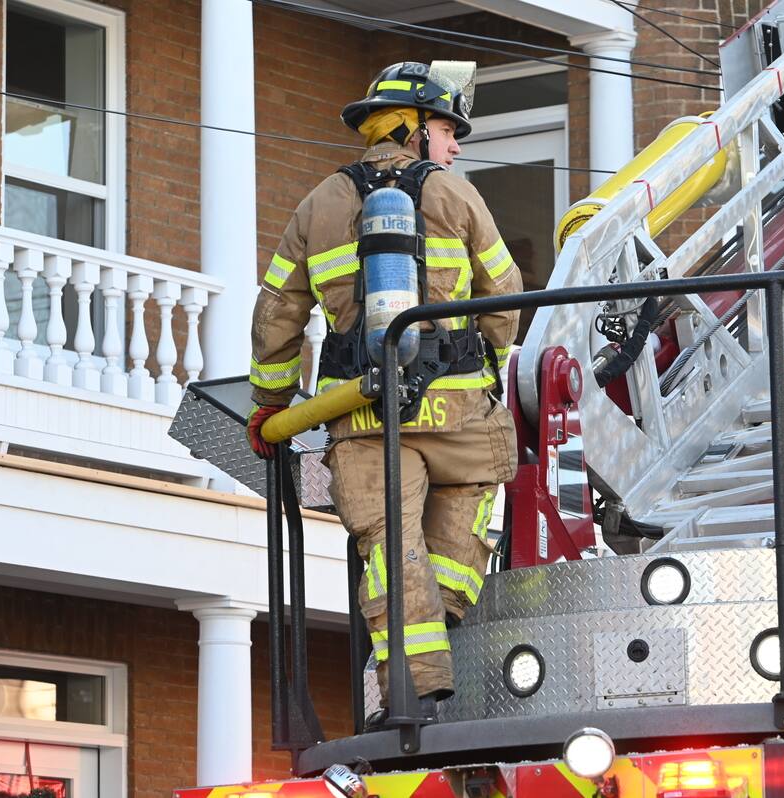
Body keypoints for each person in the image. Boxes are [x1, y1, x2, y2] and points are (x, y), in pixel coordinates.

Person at [245, 61, 521, 728]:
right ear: (414, 128)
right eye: (448, 129)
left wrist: (272, 404)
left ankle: (412, 693)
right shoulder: (458, 197)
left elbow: (277, 316)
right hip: (460, 416)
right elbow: (506, 300)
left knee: (391, 549)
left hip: (364, 417)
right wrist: (489, 361)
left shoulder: (317, 205)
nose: (454, 145)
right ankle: (439, 642)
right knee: (459, 541)